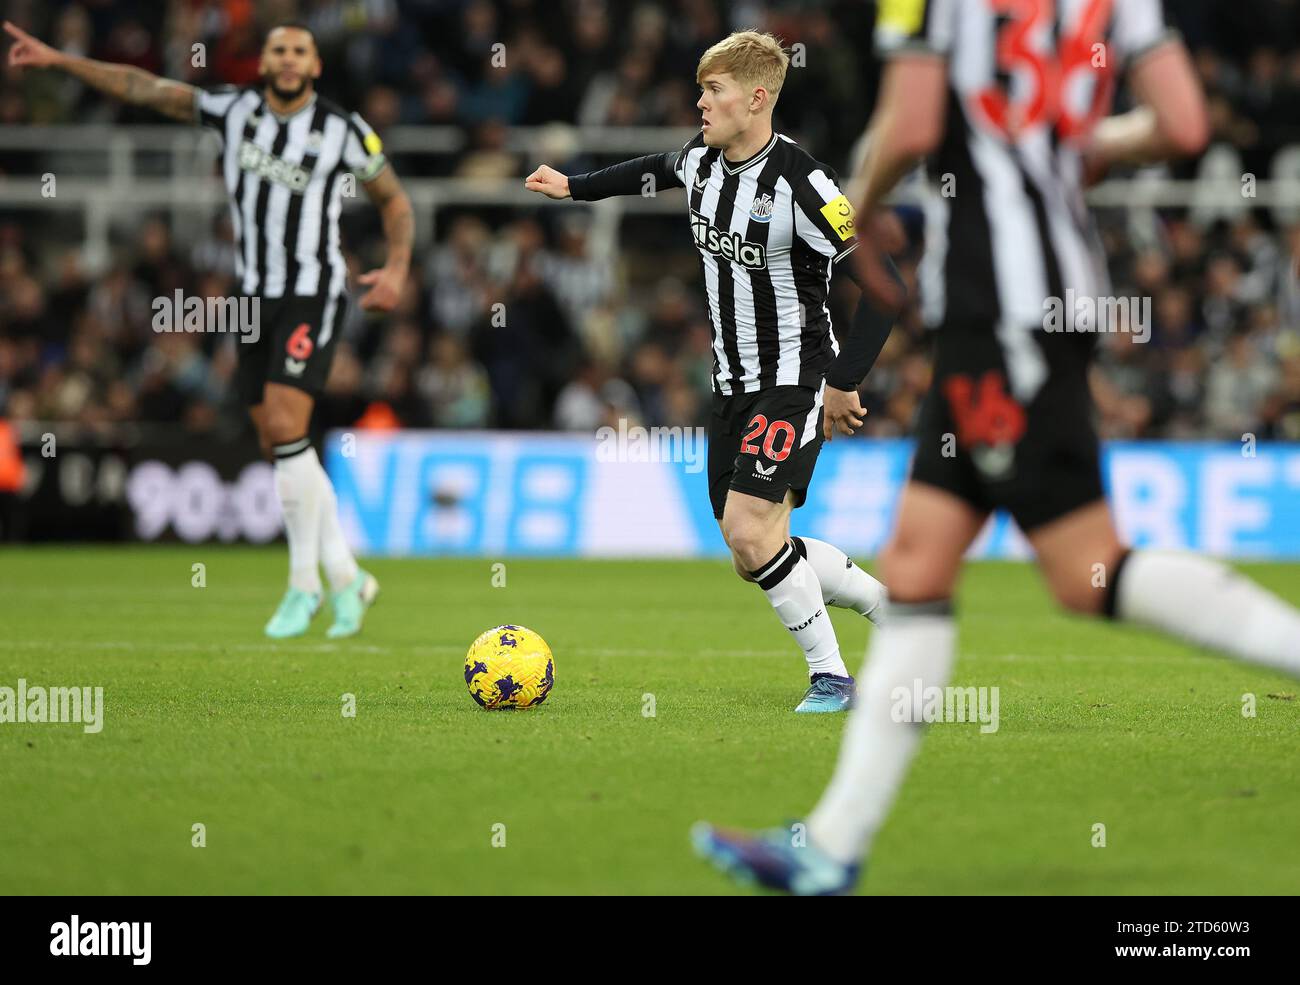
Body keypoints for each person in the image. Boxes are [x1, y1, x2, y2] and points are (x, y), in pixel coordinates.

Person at [692, 0, 1300, 893]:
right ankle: (829, 847)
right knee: (921, 565)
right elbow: (1182, 123)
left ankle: (829, 845)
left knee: (1083, 566)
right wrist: (1066, 153)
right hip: (1048, 289)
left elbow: (913, 119)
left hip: (998, 303)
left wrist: (858, 197)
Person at [525, 30, 901, 713]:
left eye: (714, 90)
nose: (700, 102)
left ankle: (834, 678)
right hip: (730, 386)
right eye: (701, 88)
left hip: (794, 378)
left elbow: (886, 285)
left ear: (757, 99)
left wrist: (845, 378)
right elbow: (652, 169)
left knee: (754, 533)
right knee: (747, 546)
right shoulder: (701, 163)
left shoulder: (805, 184)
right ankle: (890, 607)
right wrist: (574, 188)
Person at [5, 20, 415, 639]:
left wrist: (397, 271)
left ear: (315, 64)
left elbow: (396, 202)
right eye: (278, 49)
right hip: (252, 300)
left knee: (285, 428)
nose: (287, 59)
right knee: (282, 446)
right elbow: (143, 87)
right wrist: (64, 62)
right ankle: (348, 577)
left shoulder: (343, 130)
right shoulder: (233, 108)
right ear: (264, 61)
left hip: (313, 292)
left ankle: (303, 587)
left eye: (299, 50)